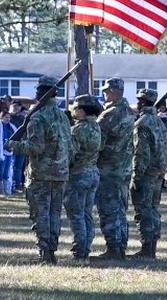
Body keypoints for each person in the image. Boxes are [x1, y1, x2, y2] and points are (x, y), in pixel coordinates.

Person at [6, 75, 70, 265]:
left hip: (41, 173)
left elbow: (35, 147)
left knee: (41, 213)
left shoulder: (38, 117)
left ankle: (45, 252)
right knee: (54, 213)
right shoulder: (63, 117)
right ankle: (52, 249)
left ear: (41, 93)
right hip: (60, 173)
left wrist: (13, 145)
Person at [94, 78, 134, 261]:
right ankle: (121, 246)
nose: (104, 94)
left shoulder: (109, 114)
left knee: (109, 209)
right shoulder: (130, 112)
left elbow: (98, 143)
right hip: (125, 168)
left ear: (114, 92)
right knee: (120, 209)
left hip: (109, 169)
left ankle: (113, 247)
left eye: (106, 91)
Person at [129, 88, 167, 259]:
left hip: (146, 172)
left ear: (143, 102)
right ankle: (152, 245)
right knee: (153, 209)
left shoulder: (142, 123)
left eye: (139, 101)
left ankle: (146, 247)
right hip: (158, 171)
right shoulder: (159, 122)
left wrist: (137, 175)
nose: (137, 104)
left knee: (143, 210)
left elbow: (141, 152)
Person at [64, 95, 102, 262]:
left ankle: (80, 252)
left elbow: (71, 154)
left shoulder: (79, 129)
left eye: (76, 108)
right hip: (93, 173)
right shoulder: (96, 127)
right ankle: (86, 248)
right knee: (87, 214)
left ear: (82, 110)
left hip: (79, 175)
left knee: (77, 215)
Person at [0, 112, 18, 195]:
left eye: (9, 117)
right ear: (1, 117)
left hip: (9, 151)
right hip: (1, 151)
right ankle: (0, 189)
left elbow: (16, 135)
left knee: (7, 171)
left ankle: (7, 190)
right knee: (1, 170)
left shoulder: (11, 126)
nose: (8, 119)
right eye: (6, 117)